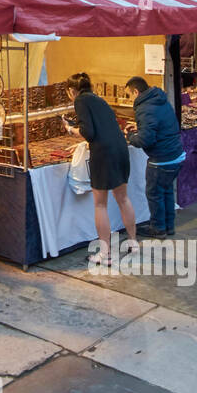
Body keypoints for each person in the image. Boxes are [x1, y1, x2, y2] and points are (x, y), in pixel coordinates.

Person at [63, 72, 137, 264]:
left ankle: (105, 254)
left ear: (72, 91)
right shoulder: (99, 100)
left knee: (100, 204)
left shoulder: (80, 101)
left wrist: (71, 129)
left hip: (104, 154)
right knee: (123, 198)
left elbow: (88, 132)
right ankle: (132, 242)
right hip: (120, 148)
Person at [123, 76, 186, 238]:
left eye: (129, 95)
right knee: (166, 191)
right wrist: (140, 126)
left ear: (135, 92)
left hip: (162, 159)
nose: (129, 100)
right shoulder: (159, 99)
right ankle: (168, 226)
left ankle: (158, 228)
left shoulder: (145, 108)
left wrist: (129, 136)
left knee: (155, 193)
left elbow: (145, 140)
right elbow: (160, 124)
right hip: (176, 154)